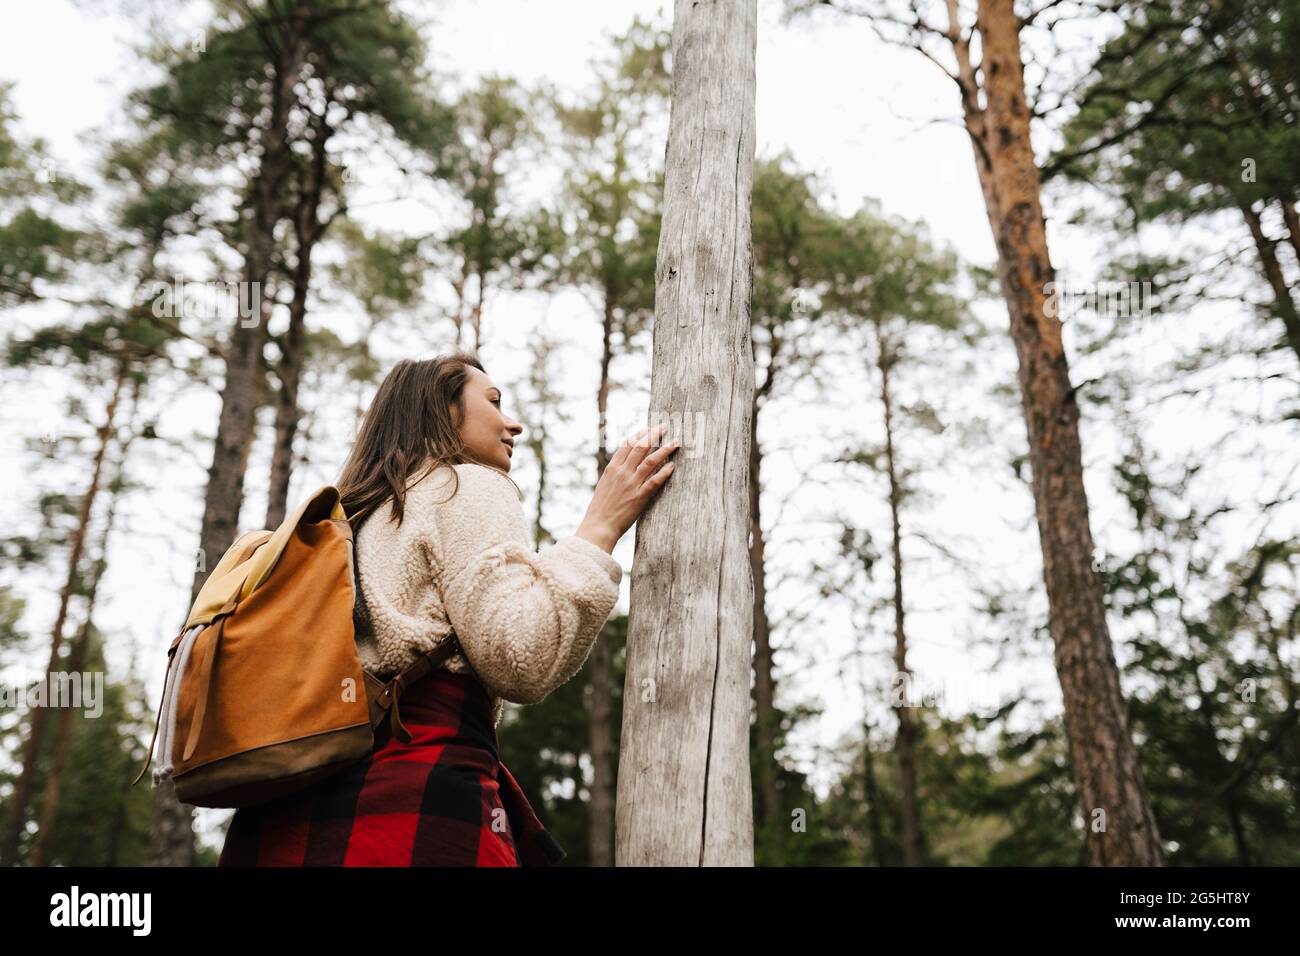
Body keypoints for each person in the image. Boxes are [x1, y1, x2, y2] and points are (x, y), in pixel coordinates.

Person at [217, 351, 680, 866]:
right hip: (413, 796)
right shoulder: (464, 484)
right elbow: (523, 658)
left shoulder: (351, 519)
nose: (514, 423)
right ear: (444, 409)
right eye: (495, 401)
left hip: (280, 817)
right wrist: (599, 528)